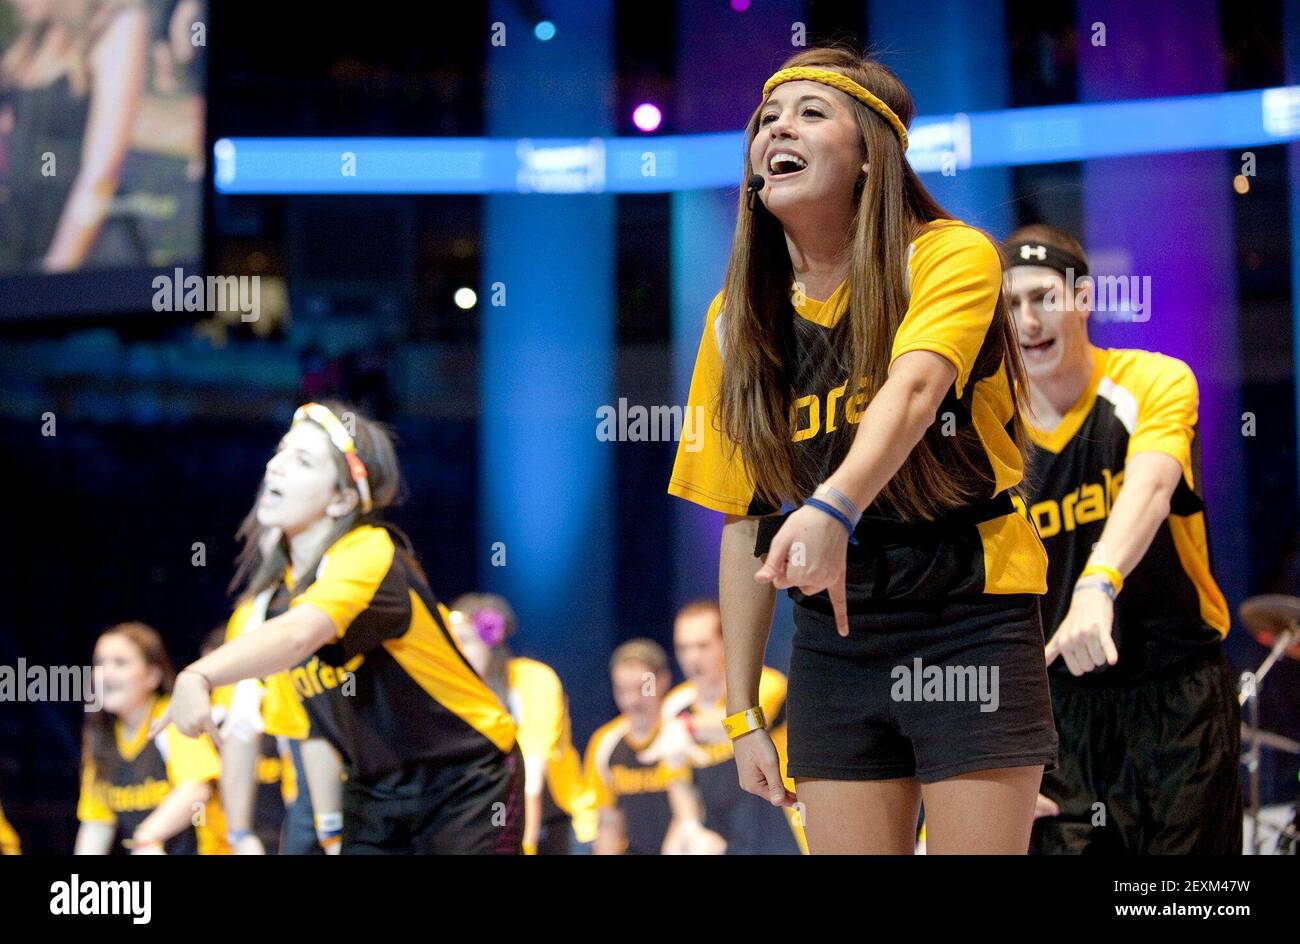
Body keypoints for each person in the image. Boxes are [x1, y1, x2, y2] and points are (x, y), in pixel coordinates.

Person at [667, 46, 1056, 854]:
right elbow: (745, 522)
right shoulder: (732, 322)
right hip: (835, 645)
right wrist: (741, 716)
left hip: (969, 619)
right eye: (768, 118)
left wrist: (832, 507)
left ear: (872, 156)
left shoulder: (949, 255)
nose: (779, 127)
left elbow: (914, 392)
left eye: (812, 113)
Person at [152, 401, 523, 854]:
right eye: (281, 451)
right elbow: (311, 730)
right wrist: (328, 830)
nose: (275, 465)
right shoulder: (270, 608)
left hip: (465, 778)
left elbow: (300, 636)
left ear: (343, 500)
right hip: (374, 788)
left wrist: (199, 674)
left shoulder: (370, 553)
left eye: (302, 461)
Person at [1003, 223, 1242, 854]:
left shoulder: (1153, 382)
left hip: (1178, 693)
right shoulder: (988, 440)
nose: (1027, 321)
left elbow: (1152, 488)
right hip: (1058, 718)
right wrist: (999, 755)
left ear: (1083, 299)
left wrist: (1098, 583)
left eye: (1043, 297)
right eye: (1010, 305)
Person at [448, 593, 597, 854]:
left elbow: (531, 779)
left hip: (559, 821)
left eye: (465, 641)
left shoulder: (534, 680)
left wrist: (524, 847)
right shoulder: (460, 693)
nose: (458, 653)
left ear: (492, 641)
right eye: (453, 644)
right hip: (497, 822)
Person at [657, 600, 804, 853]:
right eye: (683, 647)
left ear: (725, 643)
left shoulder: (764, 685)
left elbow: (749, 722)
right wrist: (690, 829)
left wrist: (689, 728)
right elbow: (678, 779)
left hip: (779, 830)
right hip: (723, 840)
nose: (693, 657)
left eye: (703, 646)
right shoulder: (674, 706)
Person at [74, 621, 226, 854]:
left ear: (152, 675)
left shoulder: (172, 719)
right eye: (99, 663)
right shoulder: (100, 736)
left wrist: (145, 838)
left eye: (120, 663)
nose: (105, 673)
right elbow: (96, 823)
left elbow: (196, 790)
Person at [584, 639, 723, 854]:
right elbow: (609, 823)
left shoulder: (687, 727)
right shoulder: (606, 743)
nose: (633, 700)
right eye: (622, 690)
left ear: (663, 680)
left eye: (643, 688)